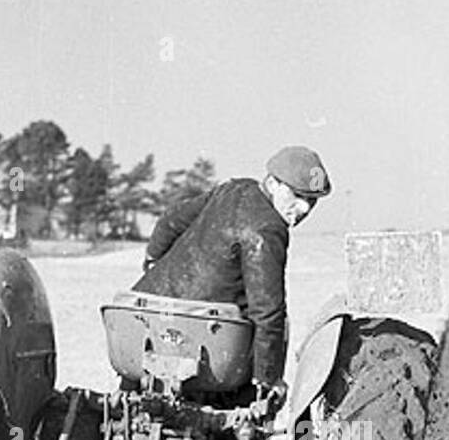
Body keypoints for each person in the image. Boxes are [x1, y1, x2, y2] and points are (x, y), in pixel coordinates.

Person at [134, 146, 331, 410]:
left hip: (143, 320)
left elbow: (170, 220)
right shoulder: (267, 228)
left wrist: (152, 261)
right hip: (204, 342)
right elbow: (268, 311)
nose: (305, 208)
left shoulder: (233, 189)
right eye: (297, 195)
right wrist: (267, 381)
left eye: (312, 200)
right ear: (272, 183)